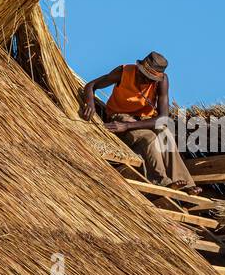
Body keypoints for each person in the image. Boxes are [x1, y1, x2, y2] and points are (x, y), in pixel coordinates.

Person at [80, 52, 199, 192]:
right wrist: (90, 103)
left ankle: (187, 184)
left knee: (165, 134)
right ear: (138, 68)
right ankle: (161, 181)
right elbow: (91, 85)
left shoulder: (162, 81)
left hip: (142, 120)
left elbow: (163, 118)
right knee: (148, 138)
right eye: (143, 75)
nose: (146, 79)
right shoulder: (123, 72)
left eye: (150, 78)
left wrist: (127, 126)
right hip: (120, 116)